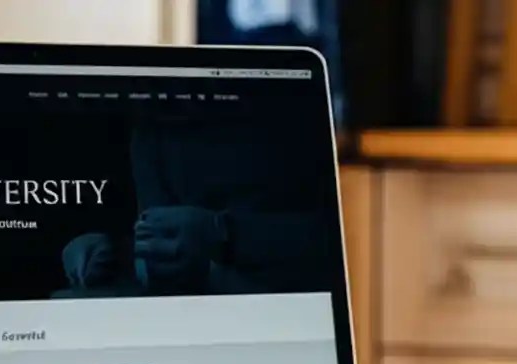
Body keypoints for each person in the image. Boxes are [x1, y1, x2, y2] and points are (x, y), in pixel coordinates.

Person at [58, 105, 334, 298]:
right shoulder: (153, 121)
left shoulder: (291, 113)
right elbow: (171, 246)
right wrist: (118, 255)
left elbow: (344, 245)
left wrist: (227, 235)